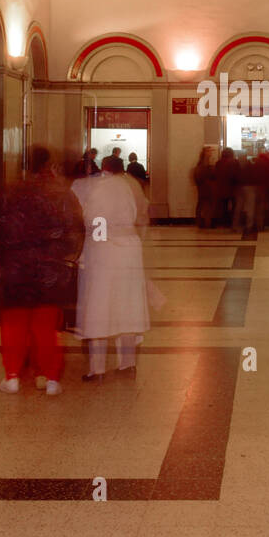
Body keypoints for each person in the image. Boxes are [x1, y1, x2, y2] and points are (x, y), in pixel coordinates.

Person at [0, 146, 85, 396]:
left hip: (15, 269)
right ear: (48, 164)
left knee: (14, 323)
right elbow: (75, 229)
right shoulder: (60, 194)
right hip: (48, 270)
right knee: (46, 326)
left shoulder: (8, 192)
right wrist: (64, 254)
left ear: (22, 164)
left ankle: (12, 376)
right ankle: (48, 378)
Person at [71, 154, 150, 380]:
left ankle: (97, 368)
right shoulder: (130, 186)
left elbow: (95, 222)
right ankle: (128, 363)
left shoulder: (100, 188)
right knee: (128, 306)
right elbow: (141, 215)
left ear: (104, 169)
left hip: (104, 255)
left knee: (99, 308)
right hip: (131, 252)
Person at [214, 147, 239, 229]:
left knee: (223, 207)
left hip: (221, 189)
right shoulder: (234, 162)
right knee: (234, 207)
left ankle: (223, 223)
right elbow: (237, 175)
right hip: (232, 189)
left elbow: (215, 175)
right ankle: (233, 223)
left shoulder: (218, 163)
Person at [193, 146, 217, 228]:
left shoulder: (200, 162)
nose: (211, 153)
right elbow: (207, 173)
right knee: (207, 206)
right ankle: (207, 223)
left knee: (201, 205)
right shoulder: (205, 162)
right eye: (209, 151)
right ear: (206, 152)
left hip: (203, 187)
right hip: (206, 187)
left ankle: (201, 223)